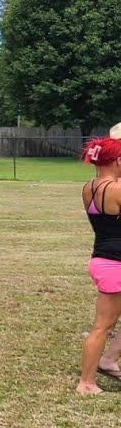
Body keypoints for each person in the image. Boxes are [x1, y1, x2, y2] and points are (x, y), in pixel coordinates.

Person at [76, 137, 121, 394]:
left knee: (104, 325)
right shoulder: (115, 190)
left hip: (102, 259)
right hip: (115, 265)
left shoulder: (89, 187)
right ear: (117, 160)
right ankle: (86, 382)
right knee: (103, 326)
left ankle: (109, 360)